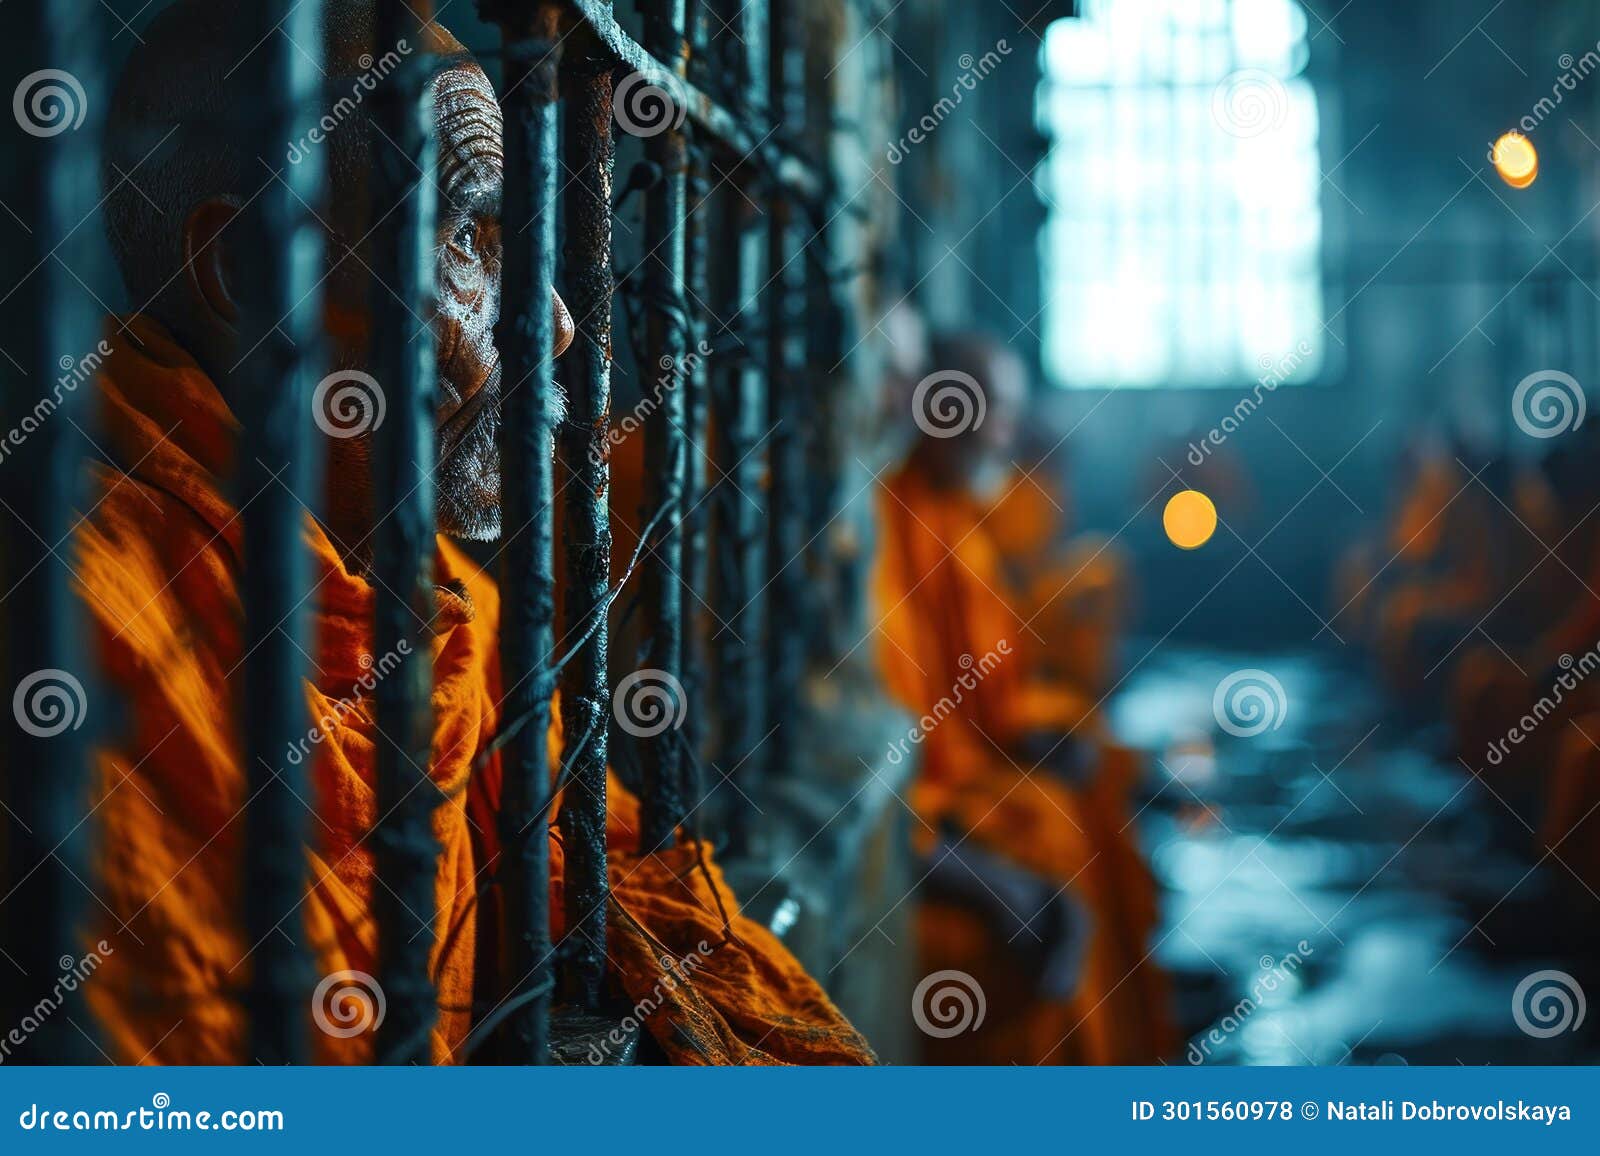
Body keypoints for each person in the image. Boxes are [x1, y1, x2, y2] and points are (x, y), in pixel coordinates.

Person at [75, 0, 872, 1066]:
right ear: (252, 276)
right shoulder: (81, 627)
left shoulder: (443, 600)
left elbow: (621, 893)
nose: (557, 320)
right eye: (466, 238)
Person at [872, 330, 1170, 1064]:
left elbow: (983, 698)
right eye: (995, 411)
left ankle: (1136, 1038)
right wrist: (982, 880)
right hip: (925, 821)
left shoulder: (952, 523)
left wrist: (1045, 738)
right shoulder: (882, 527)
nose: (1007, 434)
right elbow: (890, 768)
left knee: (1083, 800)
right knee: (1051, 859)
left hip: (964, 785)